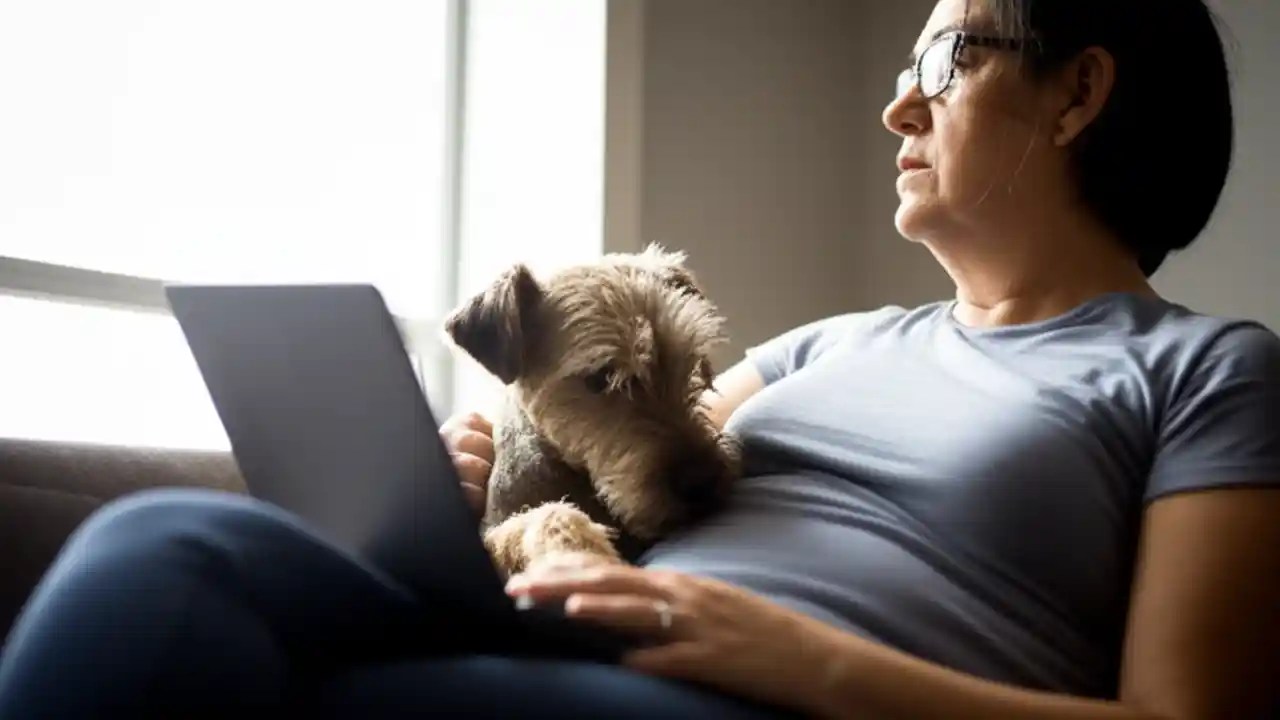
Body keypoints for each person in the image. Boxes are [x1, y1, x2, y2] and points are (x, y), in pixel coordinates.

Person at [2, 0, 1278, 717]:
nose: (897, 106)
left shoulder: (1205, 372)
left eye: (945, 58)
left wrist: (804, 660)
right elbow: (596, 474)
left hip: (766, 699)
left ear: (1079, 92)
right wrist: (467, 492)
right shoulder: (821, 349)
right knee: (161, 547)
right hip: (569, 625)